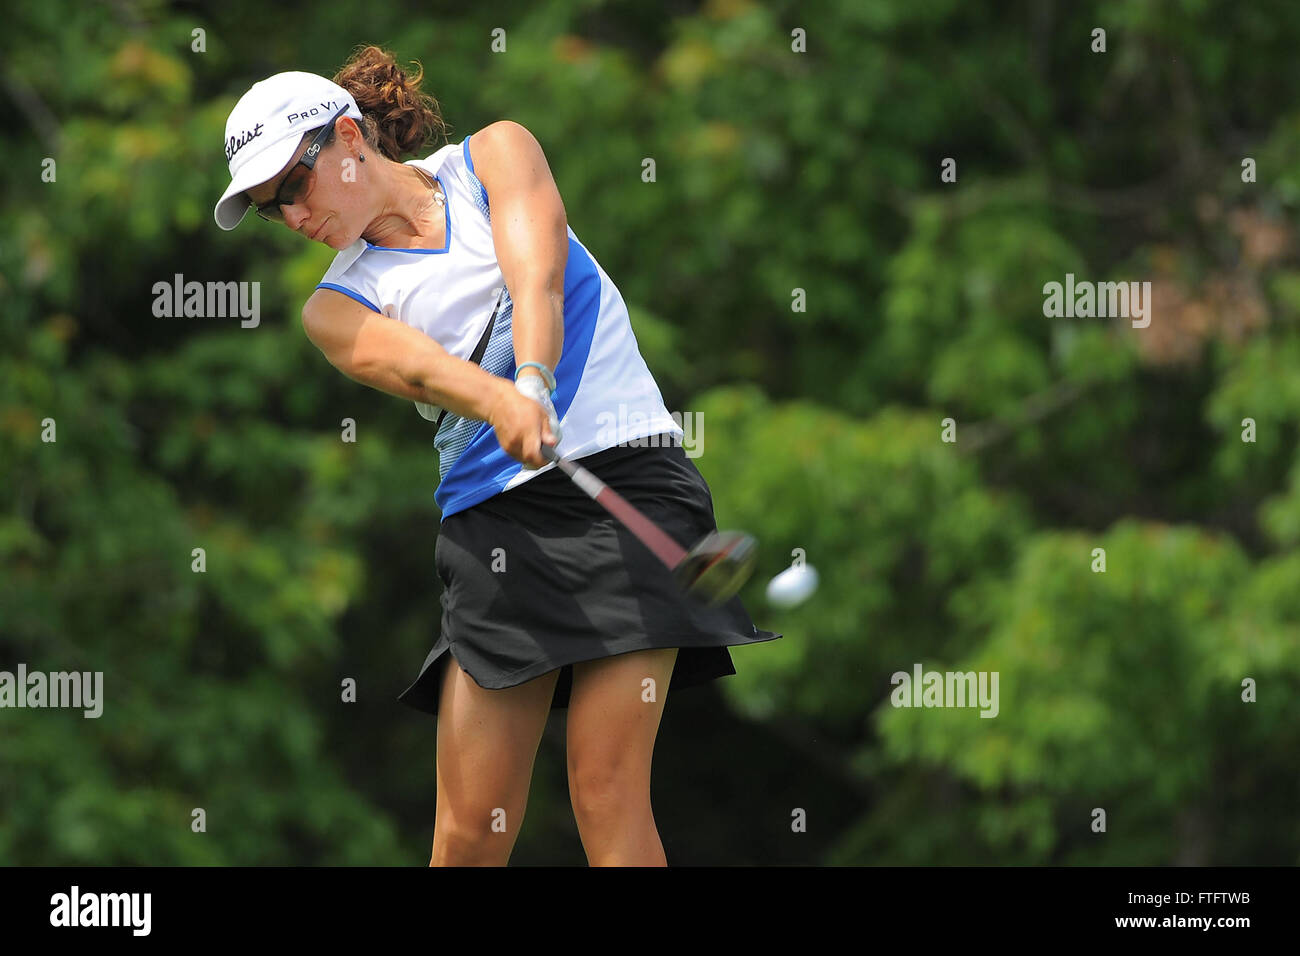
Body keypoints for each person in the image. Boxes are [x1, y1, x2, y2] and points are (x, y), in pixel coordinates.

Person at [212, 45, 781, 866]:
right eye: (272, 209)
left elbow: (537, 278)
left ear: (346, 137)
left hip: (631, 480)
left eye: (293, 187)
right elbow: (418, 366)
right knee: (470, 834)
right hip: (495, 533)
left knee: (605, 786)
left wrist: (536, 382)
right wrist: (497, 401)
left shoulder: (494, 154)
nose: (294, 218)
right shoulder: (335, 306)